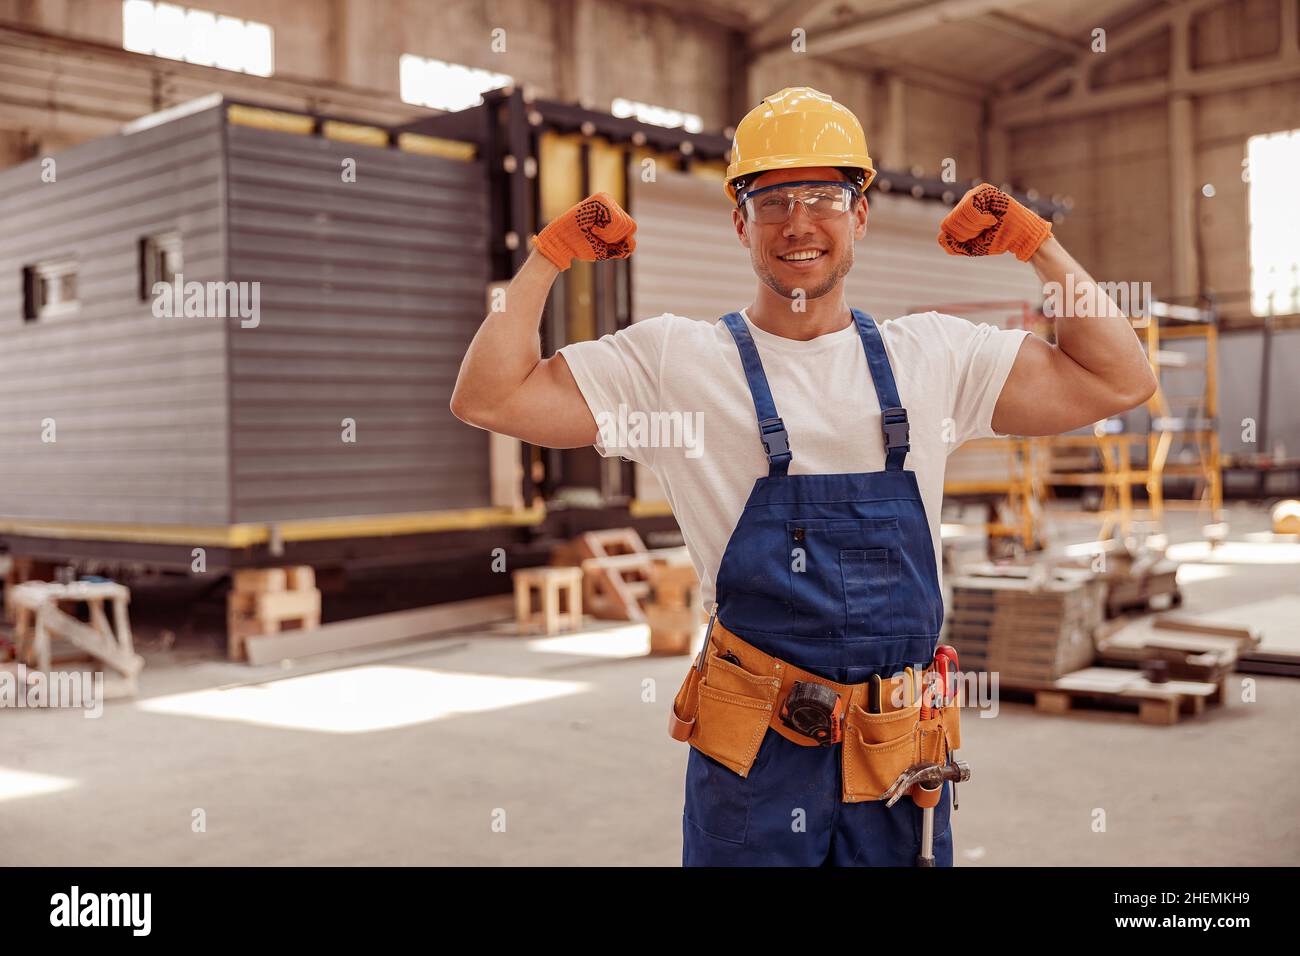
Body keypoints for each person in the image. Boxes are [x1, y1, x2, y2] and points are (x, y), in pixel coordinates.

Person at [451, 86, 1157, 866]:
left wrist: (1038, 245)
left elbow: (1118, 380)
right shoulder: (675, 363)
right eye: (771, 198)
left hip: (897, 756)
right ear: (740, 222)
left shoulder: (935, 357)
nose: (798, 221)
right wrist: (549, 256)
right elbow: (490, 396)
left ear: (859, 215)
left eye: (824, 195)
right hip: (752, 754)